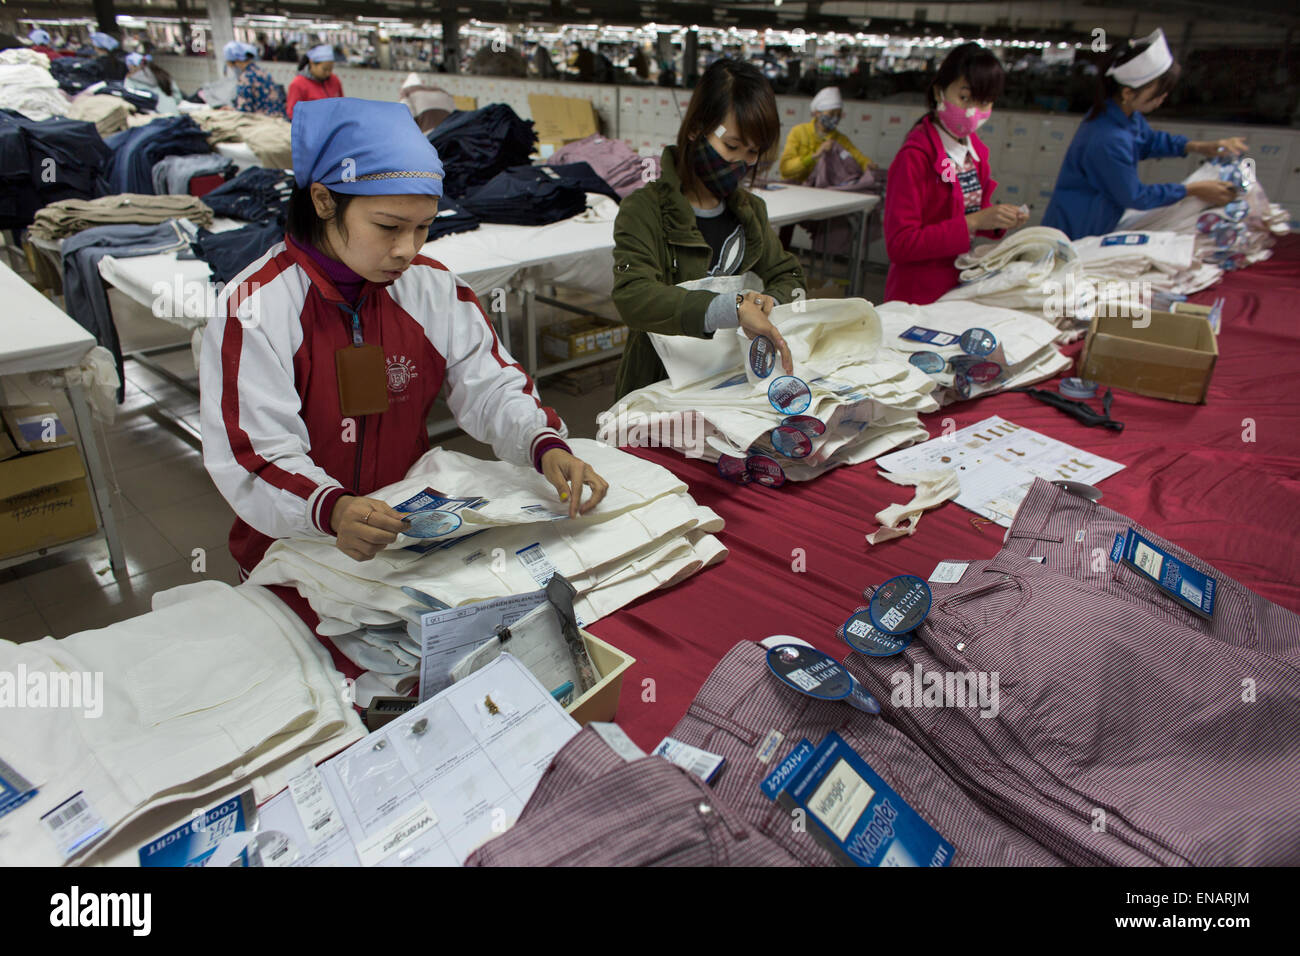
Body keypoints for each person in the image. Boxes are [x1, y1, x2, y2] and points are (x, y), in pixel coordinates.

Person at [200, 98, 609, 641]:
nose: (407, 249)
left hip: (406, 535)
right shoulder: (256, 307)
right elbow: (255, 453)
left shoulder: (432, 288)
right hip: (298, 547)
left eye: (423, 229)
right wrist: (332, 509)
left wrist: (543, 442)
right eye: (389, 226)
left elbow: (490, 385)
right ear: (324, 200)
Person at [611, 58, 806, 399]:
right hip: (659, 385)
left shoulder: (751, 213)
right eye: (731, 146)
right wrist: (731, 307)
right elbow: (634, 297)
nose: (740, 163)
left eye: (752, 153)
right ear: (695, 128)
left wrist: (768, 303)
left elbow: (788, 275)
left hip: (729, 381)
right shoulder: (645, 210)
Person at [1042, 29, 1245, 239]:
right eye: (1157, 94)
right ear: (1128, 92)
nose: (1162, 99)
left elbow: (1149, 142)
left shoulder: (1123, 116)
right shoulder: (1107, 138)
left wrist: (1198, 147)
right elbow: (1134, 195)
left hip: (1095, 219)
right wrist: (1192, 190)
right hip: (1076, 228)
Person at [882, 42, 1026, 304]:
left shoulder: (974, 152)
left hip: (960, 283)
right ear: (939, 91)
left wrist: (997, 219)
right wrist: (974, 223)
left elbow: (971, 210)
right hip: (918, 294)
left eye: (984, 102)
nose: (973, 111)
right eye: (964, 98)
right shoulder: (915, 157)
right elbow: (900, 244)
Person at [778, 86, 872, 182]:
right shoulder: (799, 132)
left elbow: (858, 158)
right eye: (831, 114)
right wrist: (814, 156)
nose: (835, 118)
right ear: (817, 113)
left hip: (819, 189)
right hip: (794, 187)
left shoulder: (840, 140)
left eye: (838, 115)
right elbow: (785, 169)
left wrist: (868, 165)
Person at [224, 40, 286, 117]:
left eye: (230, 65)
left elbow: (243, 113)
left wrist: (230, 112)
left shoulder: (246, 78)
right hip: (278, 120)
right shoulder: (262, 72)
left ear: (236, 62)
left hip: (263, 123)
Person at [287, 44, 344, 118]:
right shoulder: (298, 84)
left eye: (331, 69)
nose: (328, 73)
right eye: (325, 69)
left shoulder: (334, 80)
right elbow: (292, 114)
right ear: (312, 63)